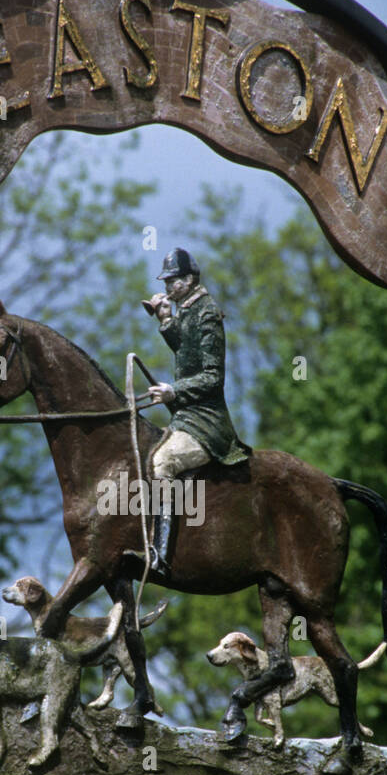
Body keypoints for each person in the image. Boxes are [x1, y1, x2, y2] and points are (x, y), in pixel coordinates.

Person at [130, 247, 251, 578]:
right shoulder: (187, 308)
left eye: (172, 281)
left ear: (188, 279)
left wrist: (174, 390)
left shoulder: (208, 313)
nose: (168, 287)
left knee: (162, 462)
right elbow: (184, 348)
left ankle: (161, 554)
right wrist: (165, 318)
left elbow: (213, 376)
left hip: (207, 422)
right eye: (166, 282)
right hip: (186, 415)